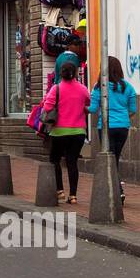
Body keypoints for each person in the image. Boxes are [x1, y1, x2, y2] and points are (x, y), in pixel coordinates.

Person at [87, 57, 137, 203]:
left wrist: (82, 109)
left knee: (111, 159)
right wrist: (121, 116)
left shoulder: (98, 87)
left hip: (106, 127)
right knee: (114, 158)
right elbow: (133, 110)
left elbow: (93, 109)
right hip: (122, 127)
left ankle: (118, 191)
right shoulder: (128, 87)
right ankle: (116, 189)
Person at [42, 60, 91, 204]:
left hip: (59, 132)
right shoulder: (82, 89)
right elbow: (88, 103)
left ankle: (60, 191)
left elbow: (48, 107)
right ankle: (73, 195)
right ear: (76, 73)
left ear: (60, 74)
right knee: (72, 162)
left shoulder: (56, 89)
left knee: (54, 160)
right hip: (78, 132)